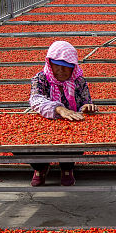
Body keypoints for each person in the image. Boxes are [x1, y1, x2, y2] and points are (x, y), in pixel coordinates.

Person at [28, 40, 96, 187]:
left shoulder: (79, 81)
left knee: (75, 142)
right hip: (43, 126)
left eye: (66, 67)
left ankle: (67, 167)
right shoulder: (40, 79)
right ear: (49, 63)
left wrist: (86, 108)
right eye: (56, 65)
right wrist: (59, 109)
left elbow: (86, 101)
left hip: (71, 127)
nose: (61, 70)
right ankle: (40, 167)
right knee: (30, 143)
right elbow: (35, 99)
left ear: (73, 67)